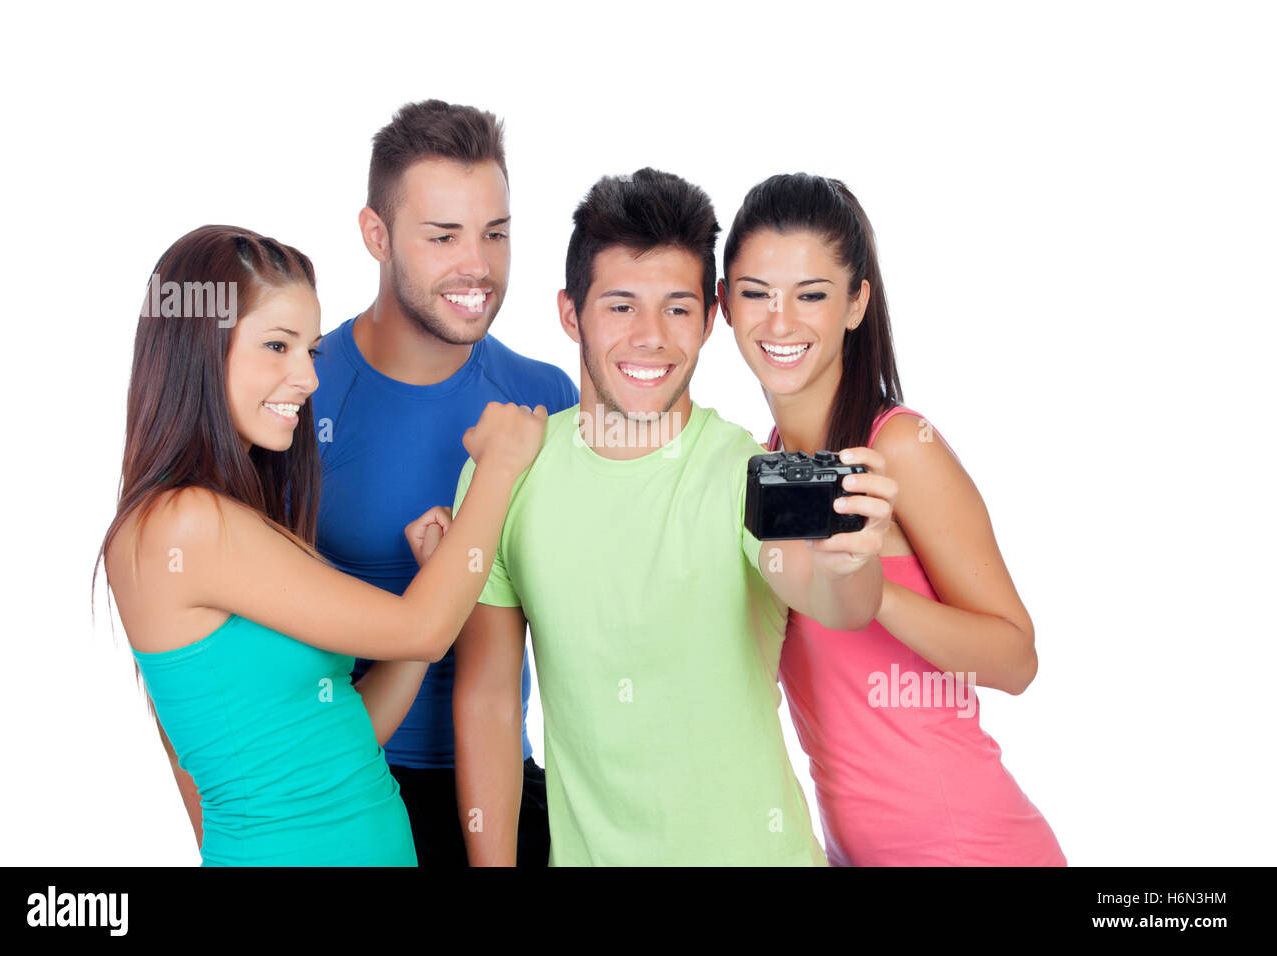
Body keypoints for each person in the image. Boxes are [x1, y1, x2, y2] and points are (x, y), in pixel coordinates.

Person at [451, 168, 897, 865]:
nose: (650, 337)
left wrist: (851, 559)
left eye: (678, 308)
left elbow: (831, 597)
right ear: (571, 314)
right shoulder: (508, 471)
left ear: (710, 319)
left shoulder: (742, 470)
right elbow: (488, 700)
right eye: (621, 306)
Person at [95, 224, 546, 866]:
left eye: (308, 349)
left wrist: (427, 602)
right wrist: (498, 469)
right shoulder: (184, 524)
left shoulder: (224, 518)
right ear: (199, 348)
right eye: (276, 346)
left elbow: (347, 735)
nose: (306, 377)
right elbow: (420, 627)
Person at [718, 172, 1066, 866]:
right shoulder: (761, 473)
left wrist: (871, 590)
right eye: (756, 294)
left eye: (811, 295)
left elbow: (1016, 660)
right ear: (724, 304)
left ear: (855, 304)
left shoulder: (899, 447)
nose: (780, 322)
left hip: (973, 848)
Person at [309, 99, 577, 866]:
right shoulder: (301, 393)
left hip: (501, 781)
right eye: (443, 236)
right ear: (376, 235)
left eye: (496, 233)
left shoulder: (545, 395)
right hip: (354, 783)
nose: (479, 266)